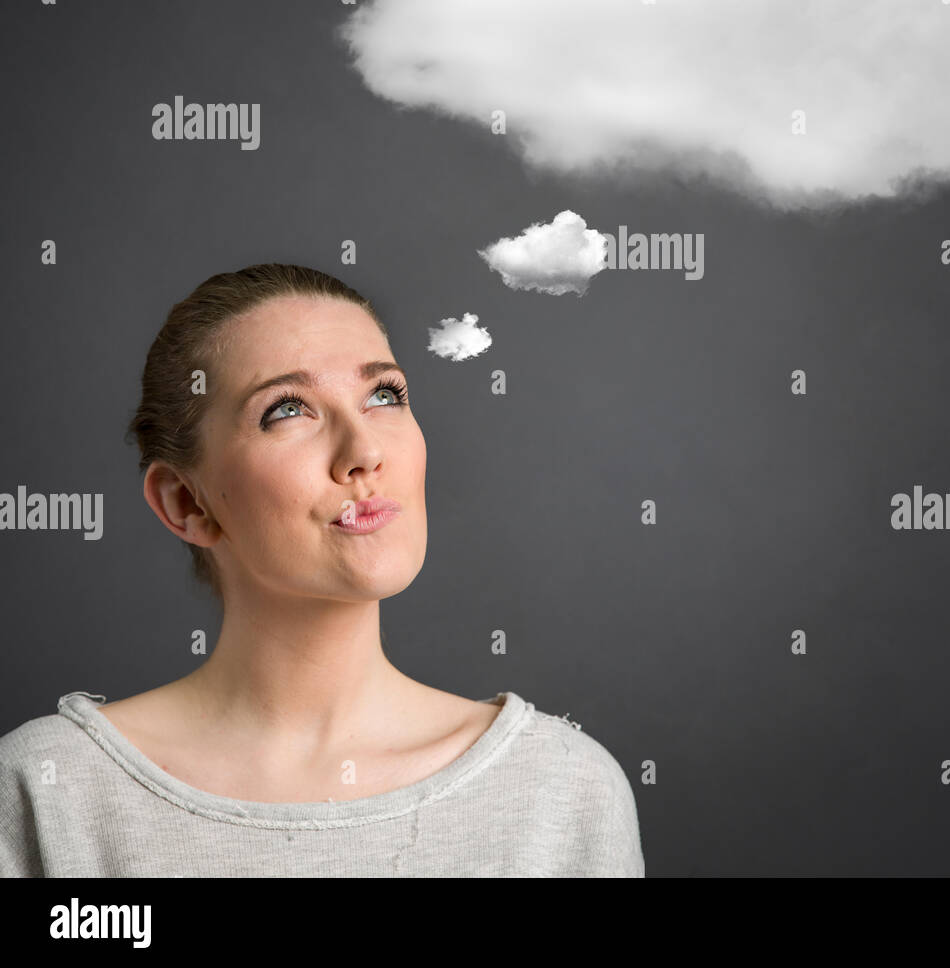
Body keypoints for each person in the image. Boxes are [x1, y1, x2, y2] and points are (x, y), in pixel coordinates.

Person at [0, 263, 644, 877]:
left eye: (384, 395)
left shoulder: (561, 790)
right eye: (287, 408)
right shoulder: (51, 789)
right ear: (186, 501)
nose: (364, 451)